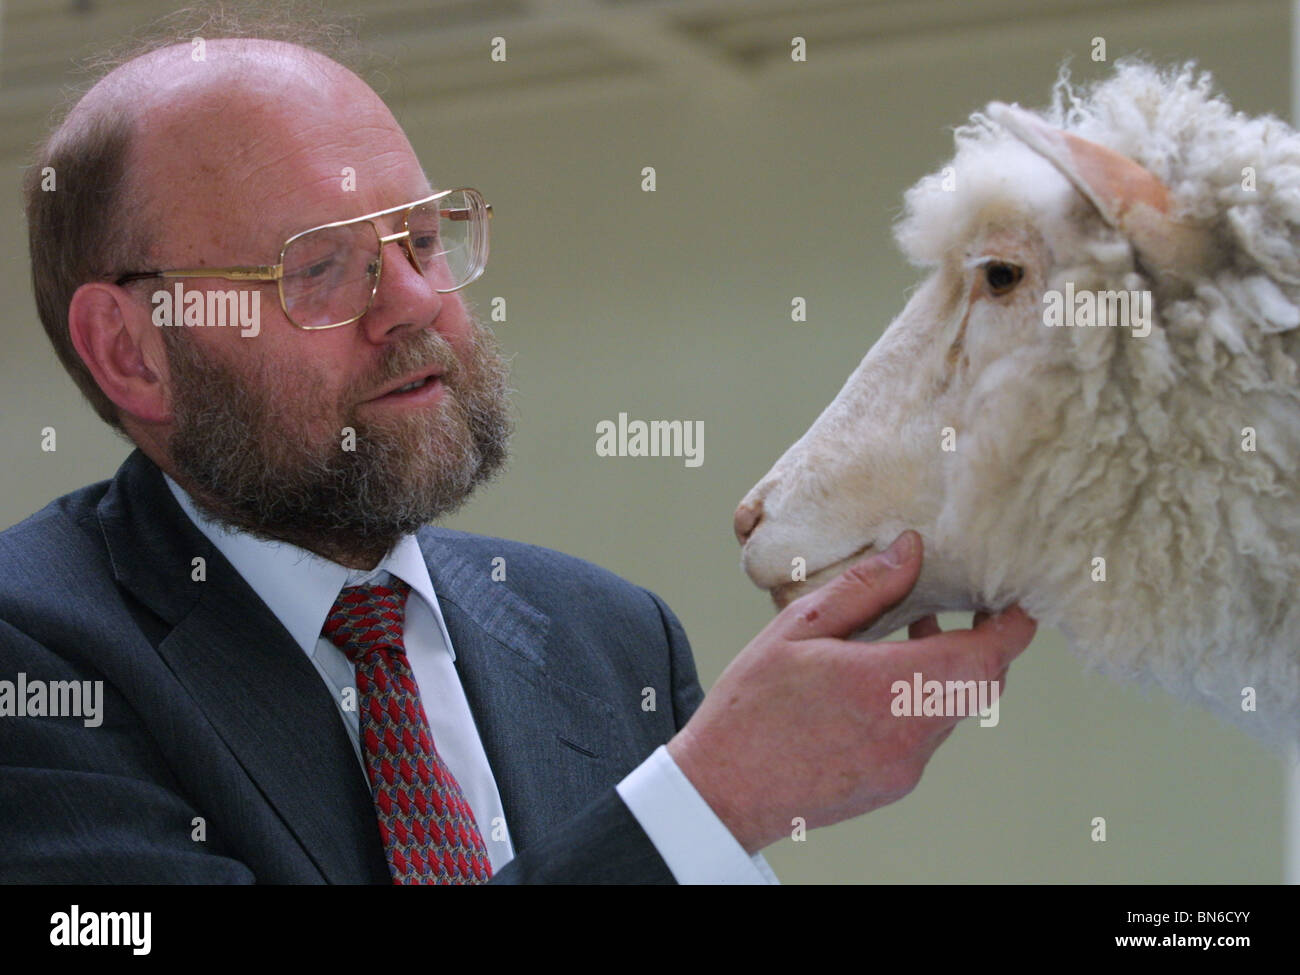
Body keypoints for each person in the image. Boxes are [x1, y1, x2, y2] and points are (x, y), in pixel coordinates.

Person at [0, 21, 1035, 884]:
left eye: (419, 238)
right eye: (317, 265)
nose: (414, 301)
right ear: (130, 351)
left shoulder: (610, 638)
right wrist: (715, 797)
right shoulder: (35, 658)